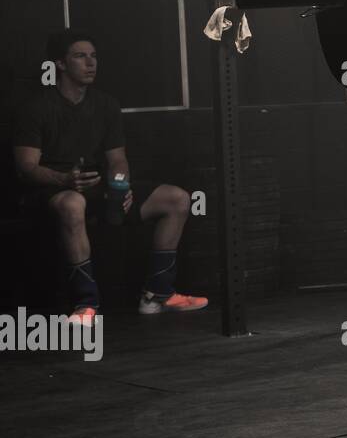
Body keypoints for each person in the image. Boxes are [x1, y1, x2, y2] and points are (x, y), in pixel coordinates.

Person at [11, 29, 208, 325]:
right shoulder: (36, 107)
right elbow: (26, 167)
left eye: (93, 56)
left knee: (178, 199)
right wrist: (64, 179)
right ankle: (86, 305)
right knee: (72, 204)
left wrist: (119, 187)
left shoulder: (105, 104)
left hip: (96, 188)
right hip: (52, 190)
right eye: (80, 56)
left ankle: (157, 296)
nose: (90, 63)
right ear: (60, 64)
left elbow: (117, 158)